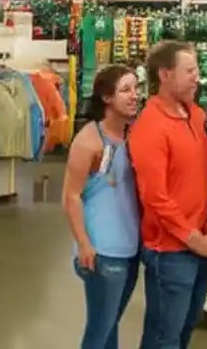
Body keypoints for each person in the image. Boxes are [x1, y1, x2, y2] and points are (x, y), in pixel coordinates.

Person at [129, 41, 207, 349]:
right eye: (190, 71)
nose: (197, 77)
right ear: (165, 74)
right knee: (164, 337)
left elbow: (203, 177)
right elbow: (155, 197)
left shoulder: (196, 116)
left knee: (185, 329)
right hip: (169, 252)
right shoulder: (150, 126)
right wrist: (194, 238)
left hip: (198, 246)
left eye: (197, 70)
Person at [62, 65, 142, 349]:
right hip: (103, 252)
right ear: (107, 98)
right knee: (99, 331)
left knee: (110, 328)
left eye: (136, 88)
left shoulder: (135, 135)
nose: (135, 96)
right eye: (125, 90)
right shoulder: (89, 141)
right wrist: (83, 243)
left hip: (131, 248)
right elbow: (70, 195)